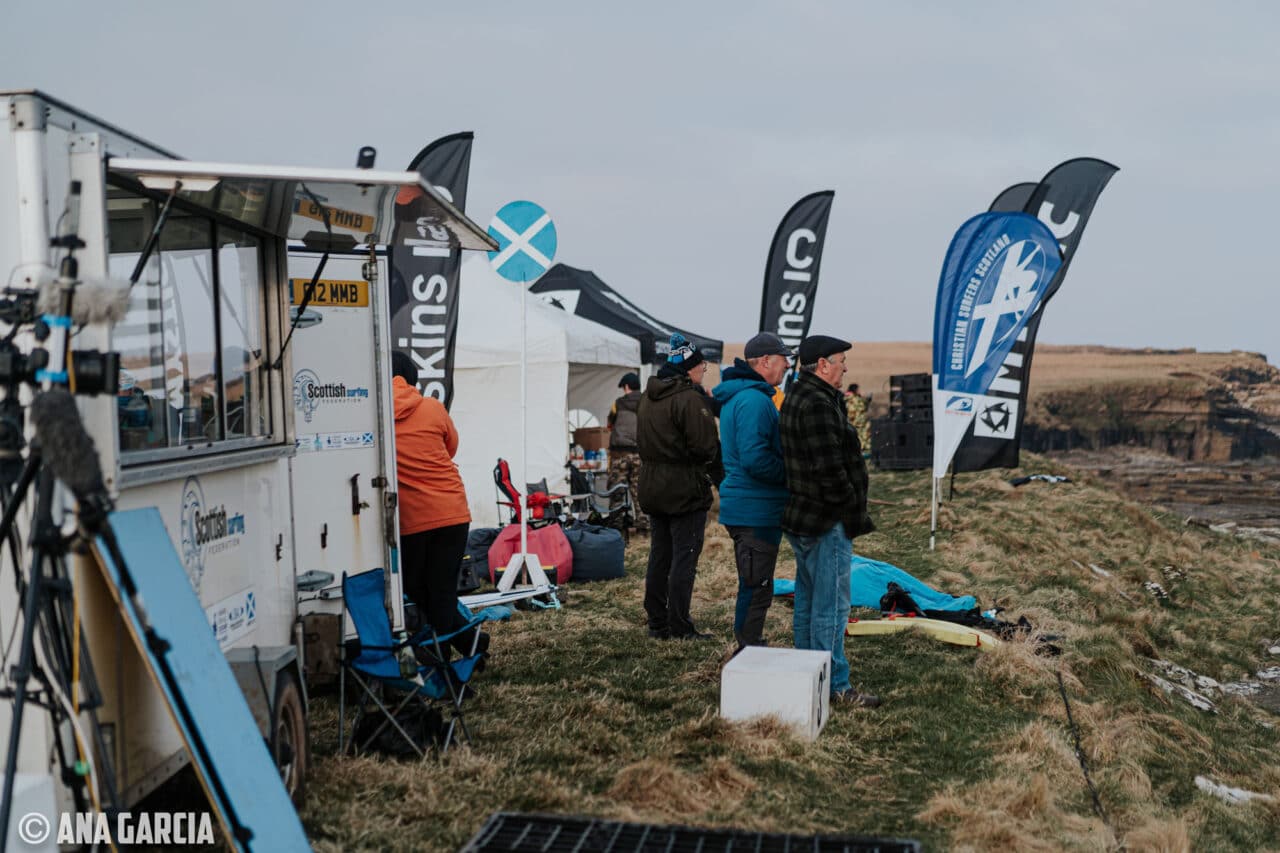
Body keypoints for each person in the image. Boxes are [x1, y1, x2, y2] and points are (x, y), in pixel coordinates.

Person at [779, 335, 879, 707]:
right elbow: (829, 469)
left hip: (804, 518)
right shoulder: (818, 404)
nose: (845, 367)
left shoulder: (799, 396)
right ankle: (835, 686)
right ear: (822, 364)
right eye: (841, 361)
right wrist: (849, 503)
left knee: (807, 601)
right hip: (825, 521)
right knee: (831, 607)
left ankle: (809, 675)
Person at [391, 351, 485, 657]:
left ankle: (444, 660)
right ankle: (469, 645)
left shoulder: (373, 415)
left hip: (412, 519)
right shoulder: (432, 407)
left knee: (419, 592)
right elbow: (451, 447)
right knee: (441, 592)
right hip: (453, 511)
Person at [711, 332, 792, 650]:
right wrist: (790, 476)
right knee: (756, 585)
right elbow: (755, 458)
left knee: (756, 583)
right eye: (783, 358)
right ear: (765, 361)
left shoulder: (744, 397)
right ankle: (748, 651)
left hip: (751, 506)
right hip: (754, 508)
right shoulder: (755, 401)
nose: (787, 365)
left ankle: (750, 645)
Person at [637, 334, 720, 640]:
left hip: (652, 486)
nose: (704, 372)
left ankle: (657, 623)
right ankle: (680, 626)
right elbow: (705, 447)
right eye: (701, 367)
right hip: (683, 488)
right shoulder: (689, 398)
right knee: (684, 558)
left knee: (660, 556)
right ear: (689, 368)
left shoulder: (649, 397)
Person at [607, 371, 648, 532]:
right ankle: (643, 526)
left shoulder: (618, 403)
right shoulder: (647, 402)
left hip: (620, 454)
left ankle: (616, 527)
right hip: (640, 454)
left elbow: (610, 424)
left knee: (616, 491)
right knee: (640, 492)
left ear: (626, 387)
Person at [845, 383, 871, 458]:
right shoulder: (854, 398)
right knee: (862, 442)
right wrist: (867, 400)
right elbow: (862, 408)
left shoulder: (846, 398)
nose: (860, 391)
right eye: (858, 389)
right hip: (858, 424)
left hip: (853, 424)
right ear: (855, 390)